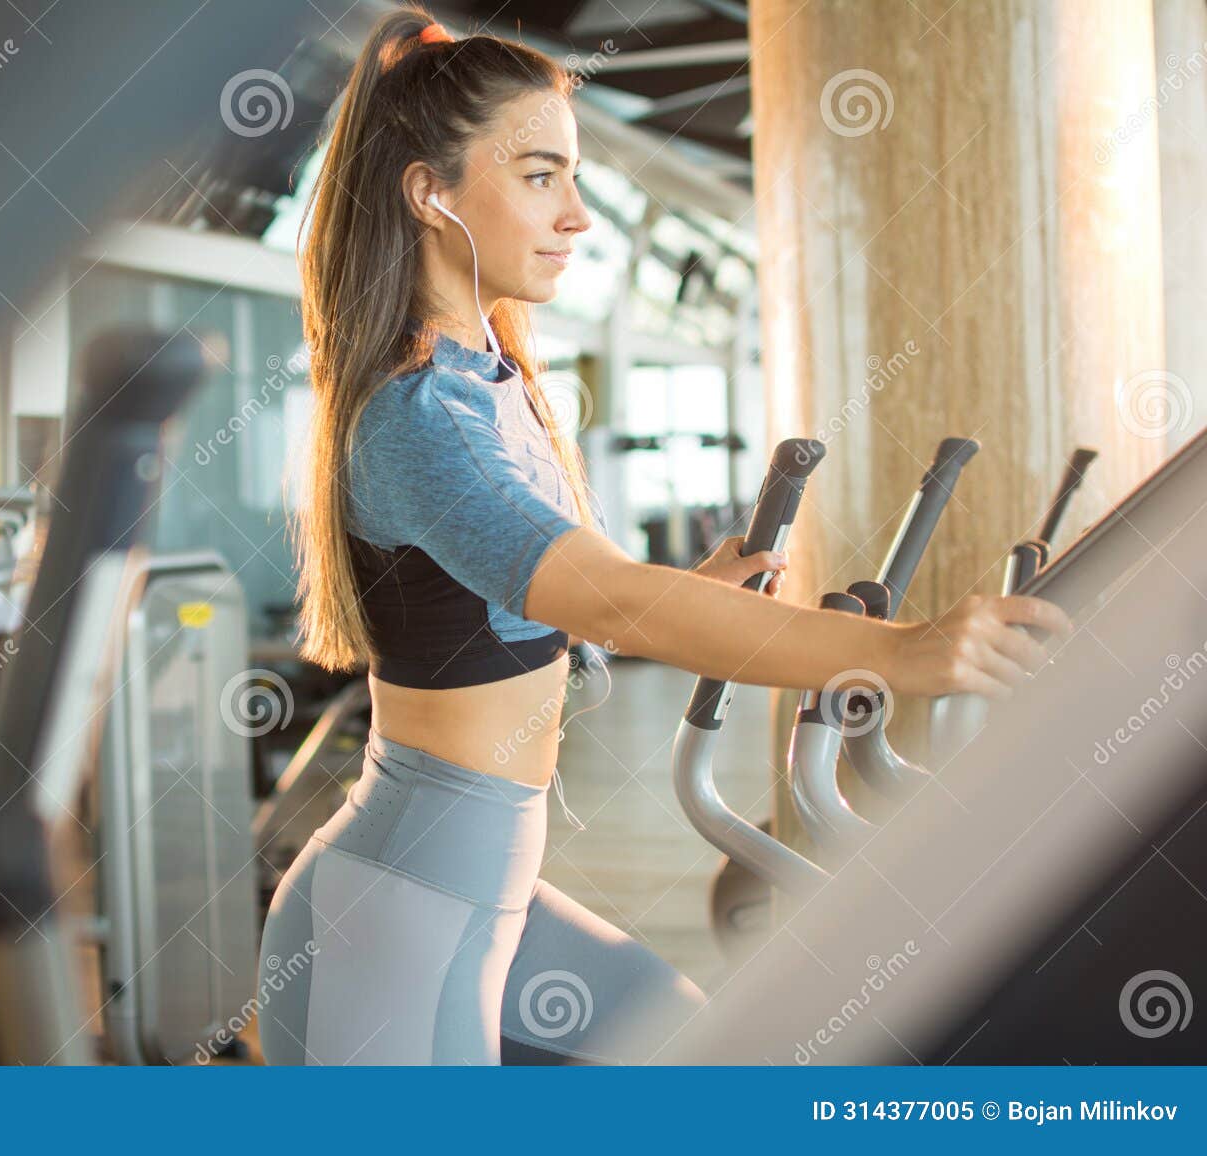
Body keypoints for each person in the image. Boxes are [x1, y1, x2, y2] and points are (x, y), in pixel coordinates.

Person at [256, 6, 1072, 1065]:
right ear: (429, 191)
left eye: (577, 178)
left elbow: (538, 618)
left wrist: (690, 590)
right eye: (540, 175)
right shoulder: (422, 417)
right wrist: (901, 651)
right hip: (394, 925)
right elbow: (600, 593)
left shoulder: (493, 381)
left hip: (474, 889)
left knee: (696, 1051)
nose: (578, 216)